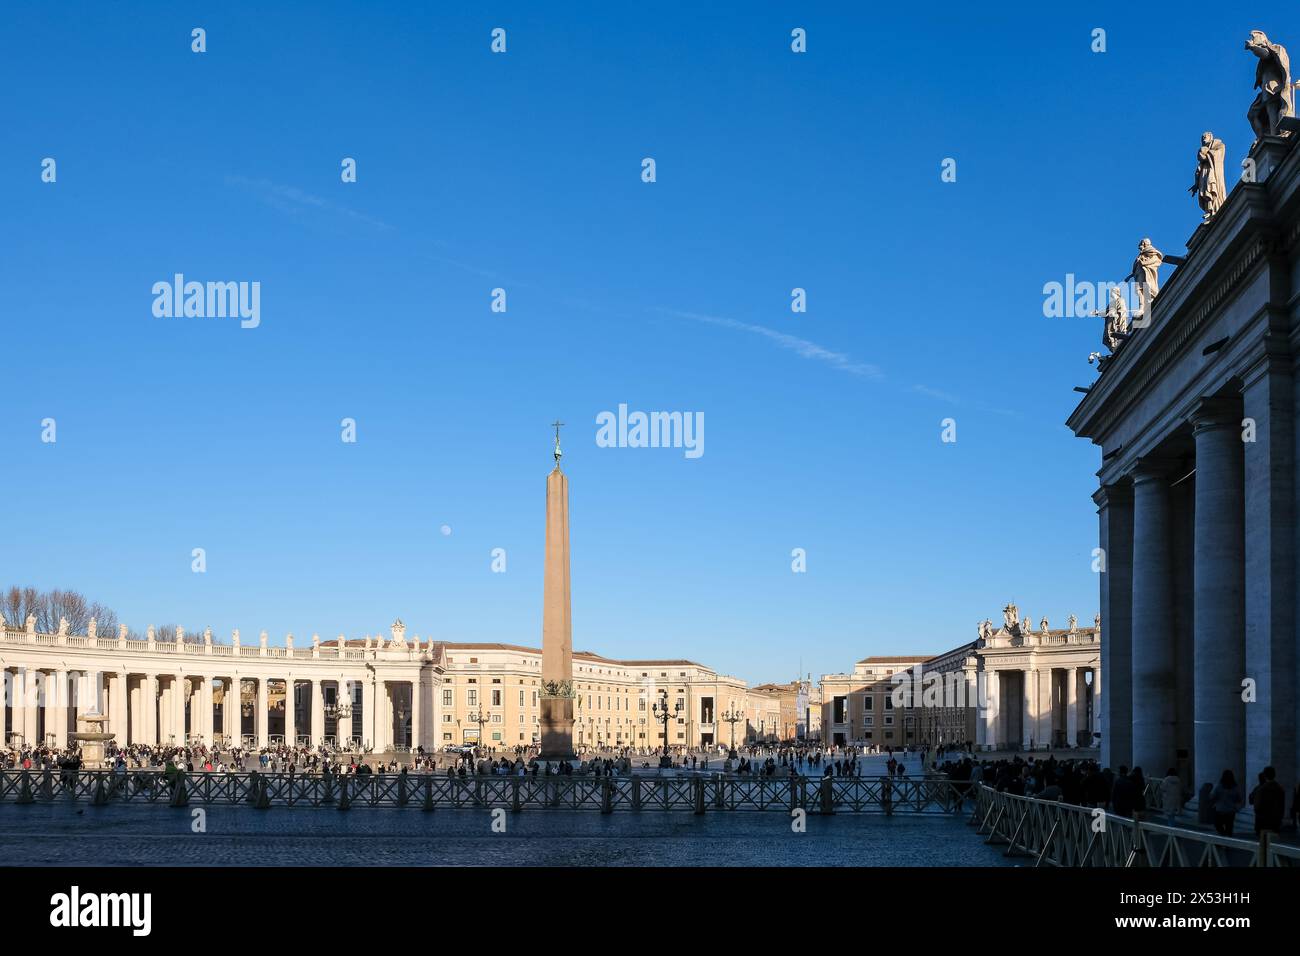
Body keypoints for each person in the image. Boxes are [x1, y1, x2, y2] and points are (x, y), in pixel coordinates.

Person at [1251, 766, 1286, 836]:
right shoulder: (1279, 788)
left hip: (1263, 820)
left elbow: (1258, 806)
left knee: (1263, 843)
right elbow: (1282, 806)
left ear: (1265, 776)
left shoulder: (1261, 789)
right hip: (1275, 820)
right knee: (1273, 843)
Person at [1209, 770, 1244, 837]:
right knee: (1229, 827)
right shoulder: (1235, 788)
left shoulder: (1219, 786)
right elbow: (1238, 799)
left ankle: (1222, 837)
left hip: (1220, 810)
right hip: (1230, 811)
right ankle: (1228, 843)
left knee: (1218, 825)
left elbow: (1213, 797)